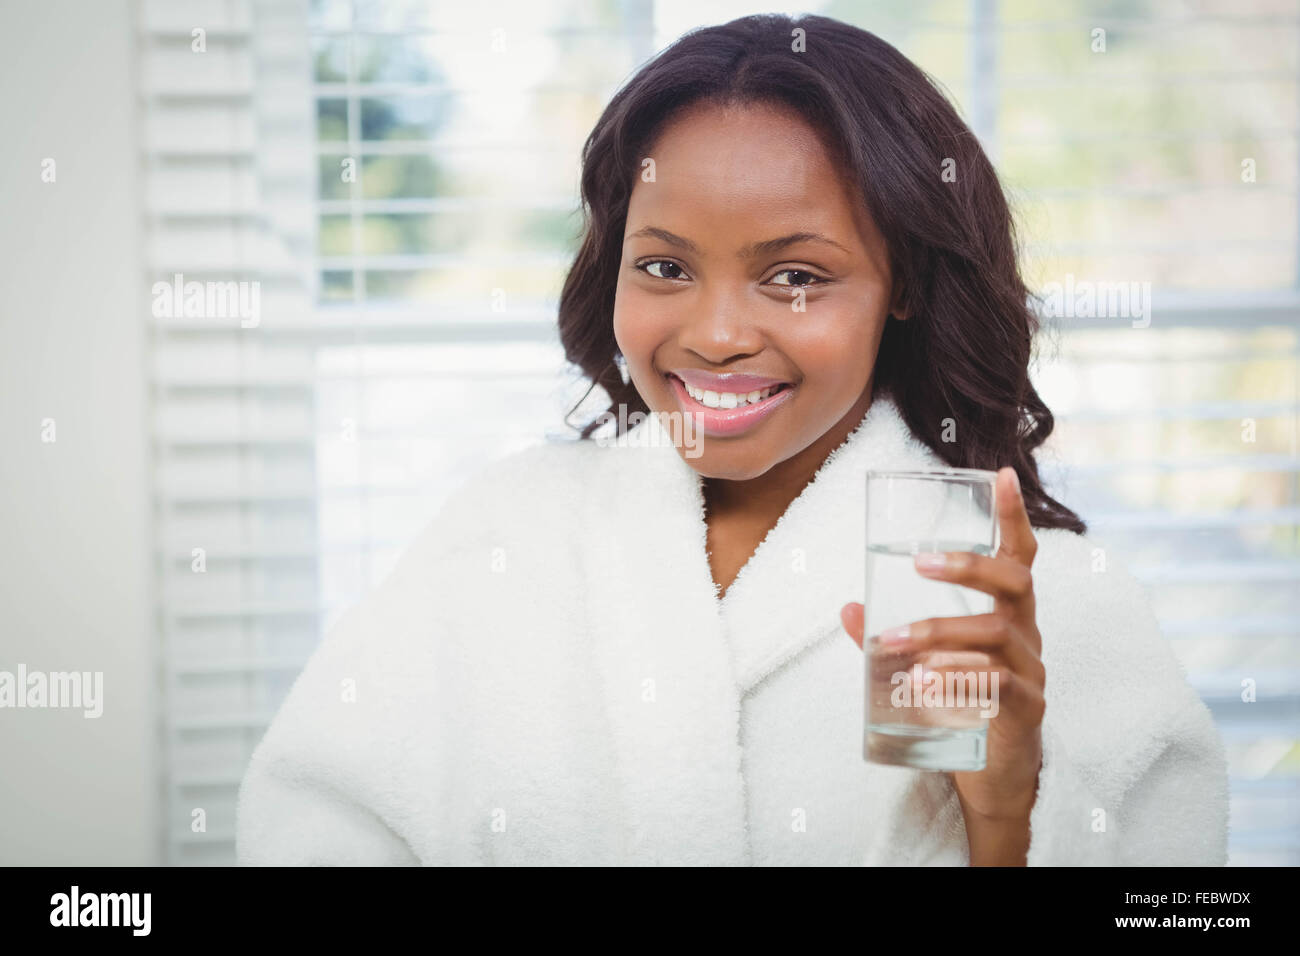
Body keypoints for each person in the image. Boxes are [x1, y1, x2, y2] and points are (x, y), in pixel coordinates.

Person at [235, 13, 1228, 866]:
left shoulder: (1039, 606)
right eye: (664, 267)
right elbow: (314, 824)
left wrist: (1008, 814)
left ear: (907, 285)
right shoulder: (502, 537)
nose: (714, 334)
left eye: (794, 275)